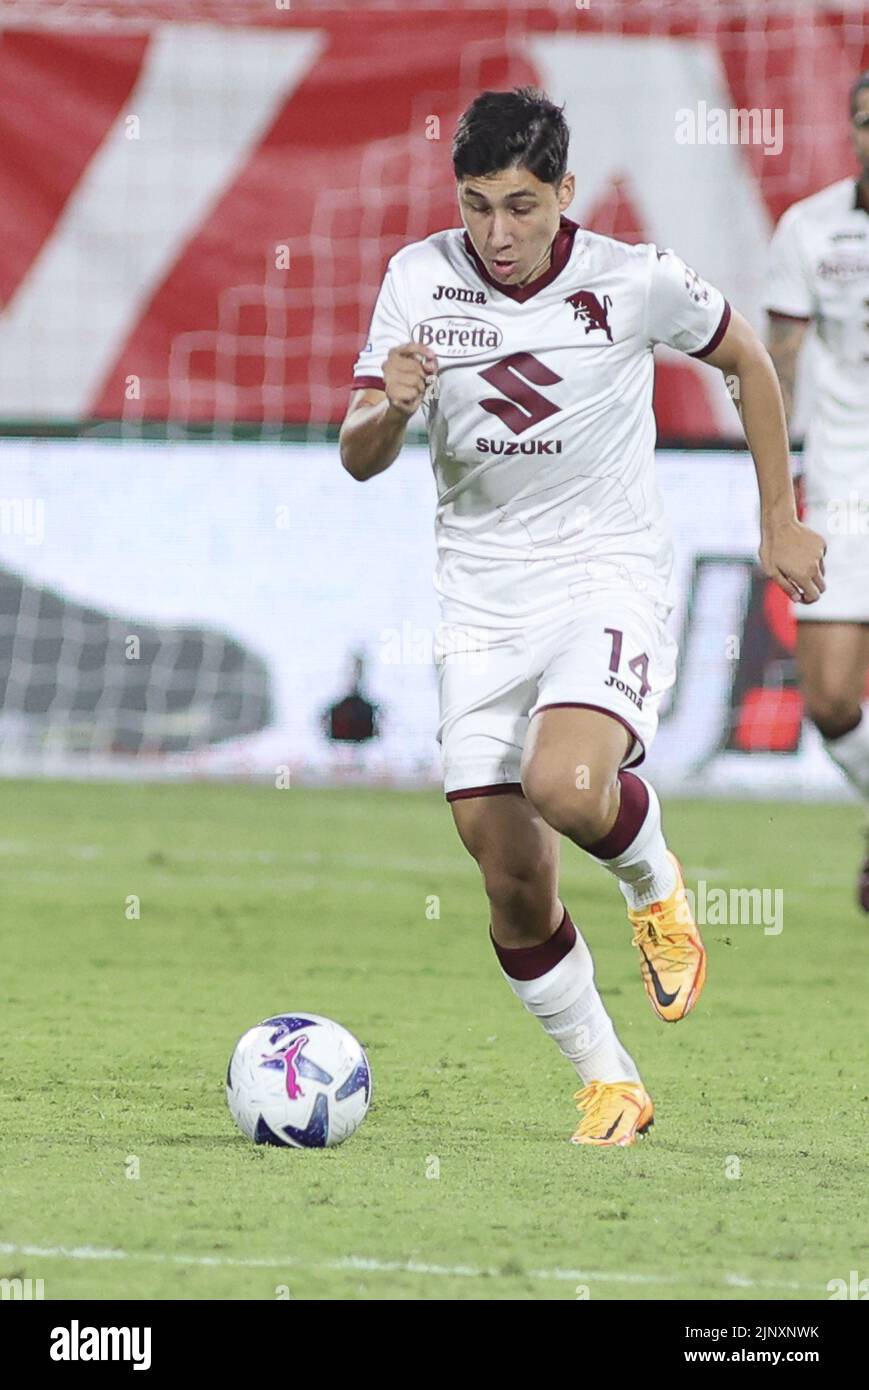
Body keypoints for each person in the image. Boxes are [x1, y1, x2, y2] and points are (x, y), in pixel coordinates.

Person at [340, 87, 826, 1146]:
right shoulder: (415, 281)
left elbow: (746, 363)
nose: (496, 235)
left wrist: (778, 522)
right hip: (476, 600)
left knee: (563, 783)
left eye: (519, 206)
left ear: (564, 191)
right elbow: (358, 455)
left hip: (602, 573)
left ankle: (654, 886)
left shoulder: (634, 280)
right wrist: (391, 402)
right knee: (506, 871)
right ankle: (609, 1081)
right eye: (474, 206)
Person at [765, 70, 869, 910]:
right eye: (866, 121)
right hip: (841, 487)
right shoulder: (809, 229)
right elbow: (775, 366)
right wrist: (771, 488)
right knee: (831, 699)